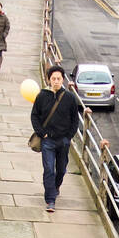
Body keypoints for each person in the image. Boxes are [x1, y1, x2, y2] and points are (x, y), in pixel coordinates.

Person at [30, 64, 81, 212]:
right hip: (48, 141)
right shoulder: (42, 96)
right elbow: (34, 116)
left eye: (59, 78)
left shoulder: (70, 98)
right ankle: (50, 200)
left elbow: (75, 120)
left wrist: (69, 136)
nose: (56, 81)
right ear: (49, 80)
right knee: (49, 170)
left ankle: (56, 186)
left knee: (61, 170)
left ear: (63, 79)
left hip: (63, 141)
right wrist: (41, 133)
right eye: (53, 79)